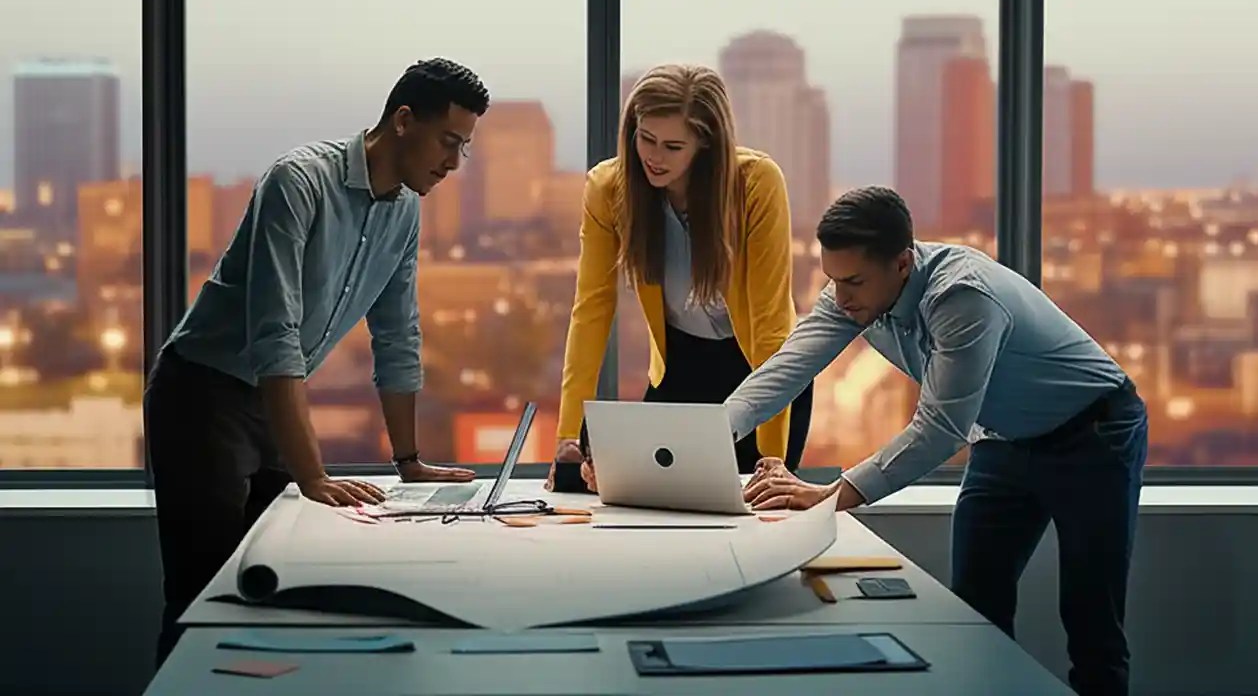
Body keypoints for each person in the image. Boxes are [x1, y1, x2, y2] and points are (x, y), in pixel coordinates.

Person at [731, 186, 1147, 696]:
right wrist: (701, 441)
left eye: (854, 281)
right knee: (974, 609)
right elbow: (784, 372)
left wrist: (831, 496)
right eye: (833, 280)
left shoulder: (962, 296)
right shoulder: (853, 296)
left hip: (1093, 435)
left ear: (902, 264)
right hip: (1002, 438)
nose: (841, 298)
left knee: (1091, 624)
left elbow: (938, 430)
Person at [143, 58, 487, 666]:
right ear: (405, 121)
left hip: (275, 401)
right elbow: (275, 335)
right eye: (449, 142)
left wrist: (407, 462)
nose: (454, 163)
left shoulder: (405, 210)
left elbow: (397, 334)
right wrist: (311, 474)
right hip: (203, 398)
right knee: (205, 598)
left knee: (281, 587)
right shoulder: (298, 182)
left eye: (464, 148)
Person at [545, 63, 814, 493]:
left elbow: (770, 327)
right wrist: (567, 432)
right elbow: (591, 309)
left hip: (761, 373)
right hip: (680, 368)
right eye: (645, 138)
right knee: (650, 508)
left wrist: (772, 456)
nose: (653, 156)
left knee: (750, 513)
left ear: (705, 146)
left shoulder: (756, 184)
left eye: (672, 146)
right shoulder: (608, 188)